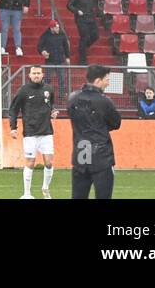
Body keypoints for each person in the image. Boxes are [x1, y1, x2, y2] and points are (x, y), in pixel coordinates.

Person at [67, 64, 121, 200]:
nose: (108, 83)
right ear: (98, 81)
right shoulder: (105, 101)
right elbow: (116, 123)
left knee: (78, 196)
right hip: (101, 155)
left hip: (81, 152)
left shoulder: (72, 98)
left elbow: (73, 117)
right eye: (107, 79)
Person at [9, 65, 57, 199]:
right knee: (30, 162)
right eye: (34, 73)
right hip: (30, 133)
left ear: (42, 75)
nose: (36, 75)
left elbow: (51, 104)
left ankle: (45, 188)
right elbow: (13, 110)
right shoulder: (23, 91)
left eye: (38, 73)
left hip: (46, 132)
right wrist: (13, 127)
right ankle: (27, 193)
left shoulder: (49, 89)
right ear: (29, 75)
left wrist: (53, 111)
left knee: (48, 162)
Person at [37, 19, 71, 100]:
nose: (58, 29)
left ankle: (62, 96)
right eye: (56, 28)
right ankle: (47, 96)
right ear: (51, 28)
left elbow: (66, 46)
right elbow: (39, 46)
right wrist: (43, 52)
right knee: (47, 79)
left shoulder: (62, 34)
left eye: (58, 27)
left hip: (60, 60)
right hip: (50, 61)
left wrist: (67, 57)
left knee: (61, 79)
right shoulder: (45, 35)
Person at [67, 0, 99, 64]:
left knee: (95, 36)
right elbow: (69, 5)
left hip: (91, 18)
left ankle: (83, 47)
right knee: (84, 37)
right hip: (81, 19)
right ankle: (82, 60)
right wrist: (77, 11)